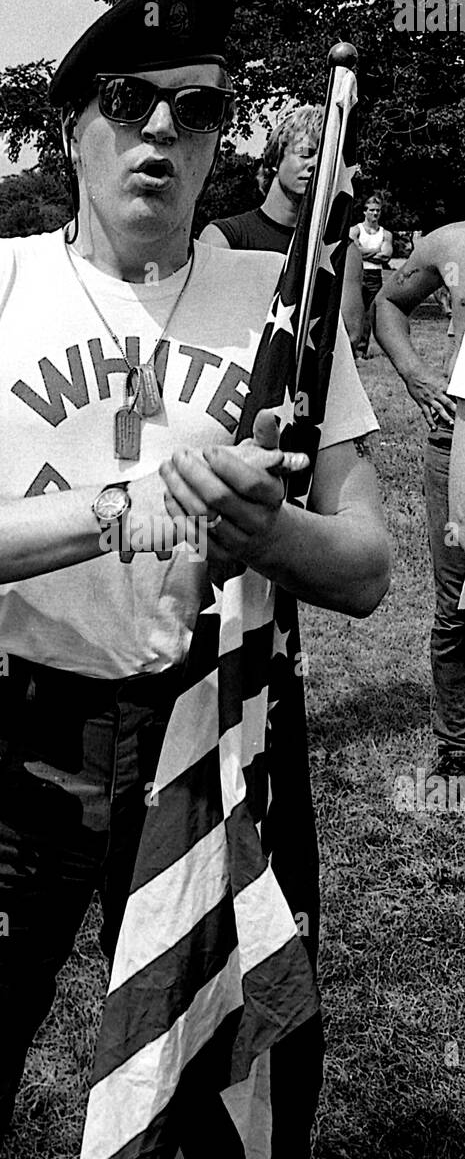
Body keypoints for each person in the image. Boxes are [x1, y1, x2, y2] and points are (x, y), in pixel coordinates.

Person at [0, 0, 390, 1159]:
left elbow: (362, 566)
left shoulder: (279, 306)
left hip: (219, 746)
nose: (159, 133)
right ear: (71, 129)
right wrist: (115, 508)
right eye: (125, 103)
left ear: (218, 143)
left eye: (193, 112)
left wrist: (272, 534)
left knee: (219, 1102)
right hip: (14, 751)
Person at [373, 221, 465, 778]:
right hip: (456, 436)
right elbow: (387, 302)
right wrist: (416, 375)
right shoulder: (450, 243)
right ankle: (456, 745)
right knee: (457, 600)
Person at [200, 105, 365, 353]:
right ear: (277, 159)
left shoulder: (343, 252)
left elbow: (350, 335)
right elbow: (206, 326)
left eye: (326, 160)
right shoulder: (225, 238)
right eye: (306, 153)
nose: (315, 166)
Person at [350, 195, 393, 357]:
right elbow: (355, 252)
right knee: (354, 312)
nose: (375, 214)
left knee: (370, 314)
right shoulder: (356, 230)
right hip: (357, 274)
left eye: (378, 211)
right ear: (364, 212)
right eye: (372, 210)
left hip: (375, 275)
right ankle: (349, 348)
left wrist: (365, 253)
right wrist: (376, 251)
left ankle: (361, 350)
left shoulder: (385, 234)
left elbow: (386, 256)